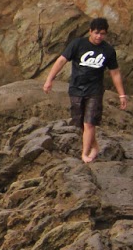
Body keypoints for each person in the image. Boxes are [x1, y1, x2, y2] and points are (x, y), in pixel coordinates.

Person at [43, 17, 127, 163]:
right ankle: (94, 147)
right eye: (96, 33)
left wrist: (122, 95)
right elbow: (61, 60)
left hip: (95, 90)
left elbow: (115, 73)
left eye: (102, 34)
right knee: (81, 123)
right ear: (90, 31)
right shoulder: (78, 44)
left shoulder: (108, 50)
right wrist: (49, 80)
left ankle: (85, 154)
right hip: (76, 88)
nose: (99, 36)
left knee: (89, 123)